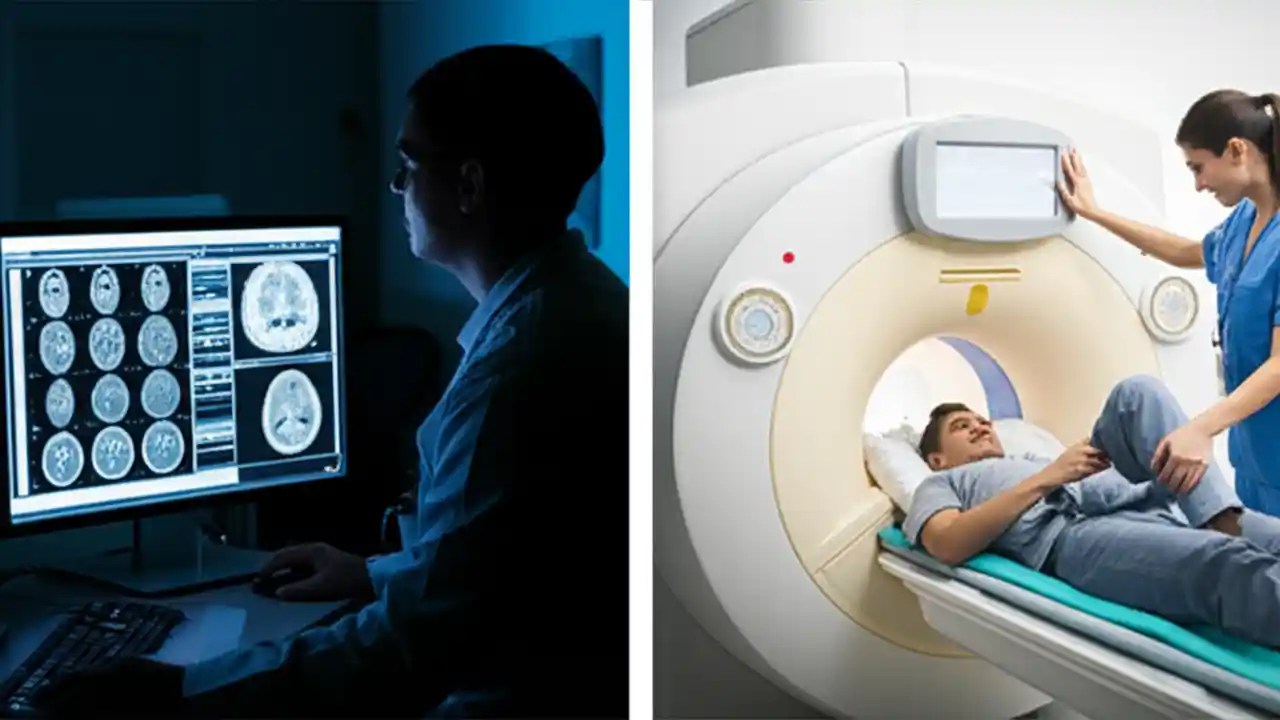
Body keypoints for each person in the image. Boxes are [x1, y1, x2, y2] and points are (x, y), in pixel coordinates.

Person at [39, 44, 629, 718]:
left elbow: (410, 649)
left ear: (468, 186)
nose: (396, 188)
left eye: (408, 166)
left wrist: (176, 693)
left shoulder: (523, 365)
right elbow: (504, 568)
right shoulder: (575, 305)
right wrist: (370, 572)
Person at [905, 375, 1280, 648]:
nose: (979, 427)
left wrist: (1073, 463)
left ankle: (1219, 517)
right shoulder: (941, 484)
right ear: (937, 459)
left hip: (1132, 495)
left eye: (981, 421)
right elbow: (946, 543)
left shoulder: (1033, 457)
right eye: (961, 426)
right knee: (1224, 562)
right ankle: (1222, 529)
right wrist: (1049, 478)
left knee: (1137, 391)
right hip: (1072, 531)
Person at [1057, 89, 1280, 514]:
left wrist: (1200, 428)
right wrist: (1095, 213)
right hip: (1256, 453)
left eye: (1199, 167)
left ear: (1236, 150)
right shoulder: (1245, 221)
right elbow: (1185, 252)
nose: (1198, 185)